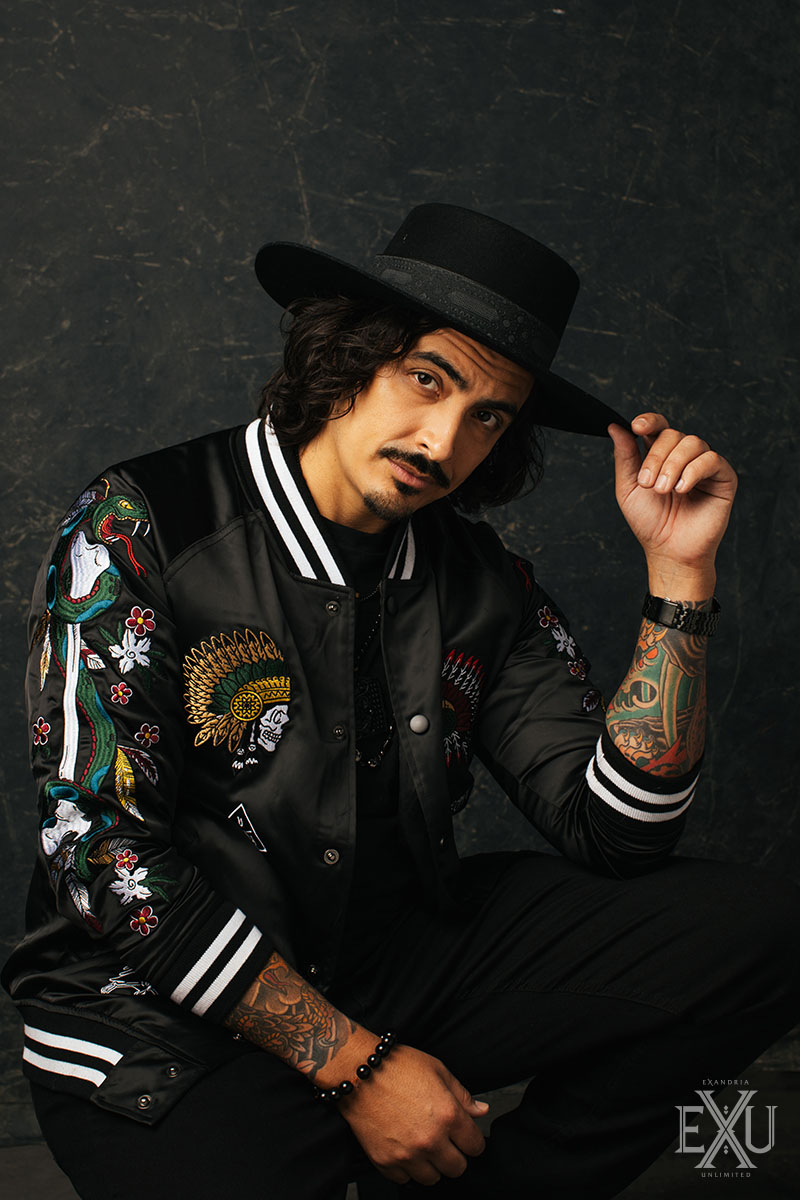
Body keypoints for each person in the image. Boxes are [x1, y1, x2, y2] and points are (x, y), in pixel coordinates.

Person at [3, 204, 798, 1200]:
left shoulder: (476, 578)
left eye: (489, 415)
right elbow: (103, 859)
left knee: (760, 931)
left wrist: (680, 578)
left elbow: (618, 834)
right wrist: (359, 1068)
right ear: (344, 354)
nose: (443, 440)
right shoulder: (139, 526)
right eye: (427, 379)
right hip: (157, 1013)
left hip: (384, 957)